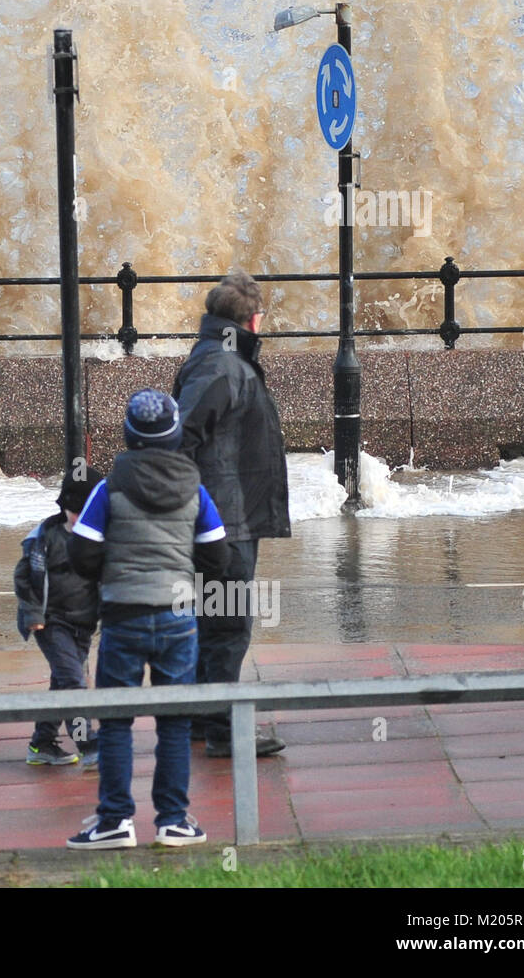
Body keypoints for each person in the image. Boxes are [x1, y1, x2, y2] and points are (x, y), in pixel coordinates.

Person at [65, 389, 227, 849]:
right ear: (175, 436)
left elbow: (82, 550)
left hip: (123, 616)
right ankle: (173, 820)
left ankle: (115, 821)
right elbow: (218, 554)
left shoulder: (110, 484)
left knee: (116, 719)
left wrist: (111, 572)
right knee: (174, 721)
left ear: (129, 435)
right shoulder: (194, 486)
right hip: (178, 617)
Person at [172, 270, 291, 759]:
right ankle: (223, 728)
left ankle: (205, 716)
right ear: (254, 319)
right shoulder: (223, 366)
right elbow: (180, 440)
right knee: (227, 624)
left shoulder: (215, 358)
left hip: (223, 515)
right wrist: (201, 515)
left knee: (212, 619)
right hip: (224, 520)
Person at [13, 469, 103, 768]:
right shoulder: (46, 537)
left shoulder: (103, 537)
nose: (79, 517)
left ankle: (41, 743)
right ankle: (88, 743)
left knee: (61, 683)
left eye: (86, 511)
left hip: (84, 623)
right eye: (74, 510)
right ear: (62, 506)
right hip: (51, 622)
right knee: (74, 683)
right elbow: (24, 578)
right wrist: (35, 614)